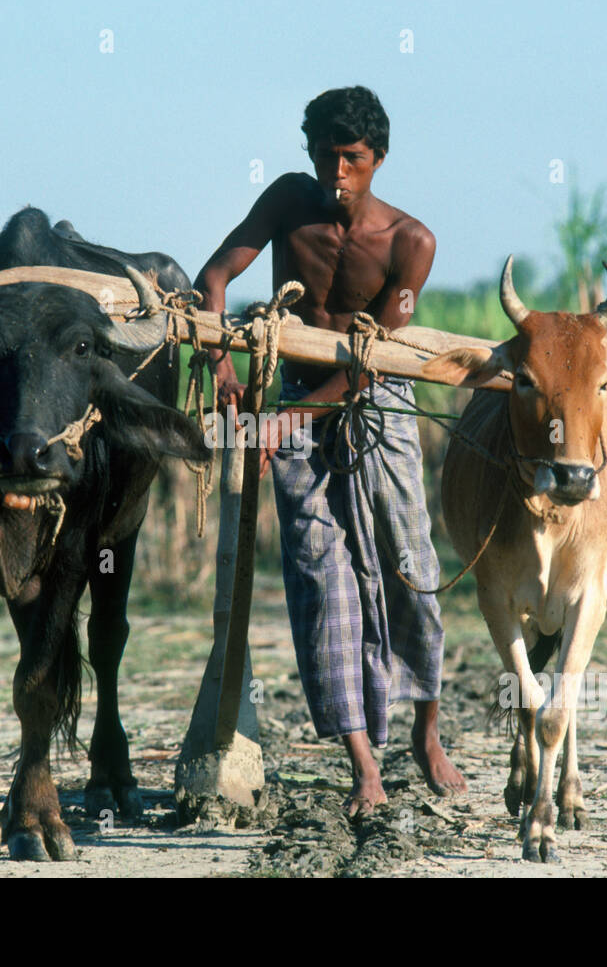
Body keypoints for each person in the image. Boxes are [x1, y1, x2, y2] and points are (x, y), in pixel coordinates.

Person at [193, 86, 465, 816]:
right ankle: (363, 765)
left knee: (409, 560)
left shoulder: (413, 243)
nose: (335, 171)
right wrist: (219, 353)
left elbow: (373, 359)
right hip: (295, 398)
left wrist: (283, 423)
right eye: (324, 154)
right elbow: (215, 276)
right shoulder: (289, 201)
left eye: (350, 157)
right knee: (321, 575)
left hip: (377, 403)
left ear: (377, 159)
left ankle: (426, 731)